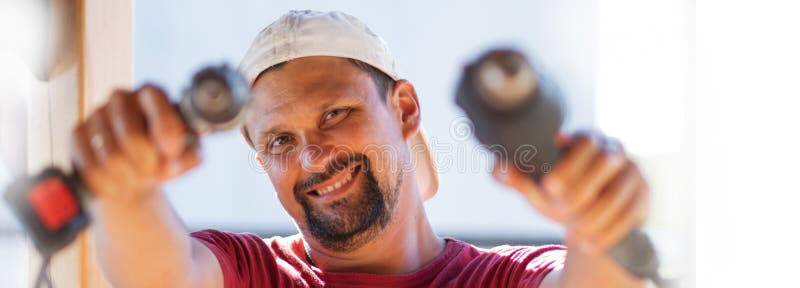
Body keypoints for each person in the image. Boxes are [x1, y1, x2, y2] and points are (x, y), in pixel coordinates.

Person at [73, 10, 649, 287]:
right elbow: (159, 274)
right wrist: (124, 189)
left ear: (403, 109)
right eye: (279, 140)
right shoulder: (251, 273)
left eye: (334, 114)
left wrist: (599, 227)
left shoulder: (505, 279)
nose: (312, 156)